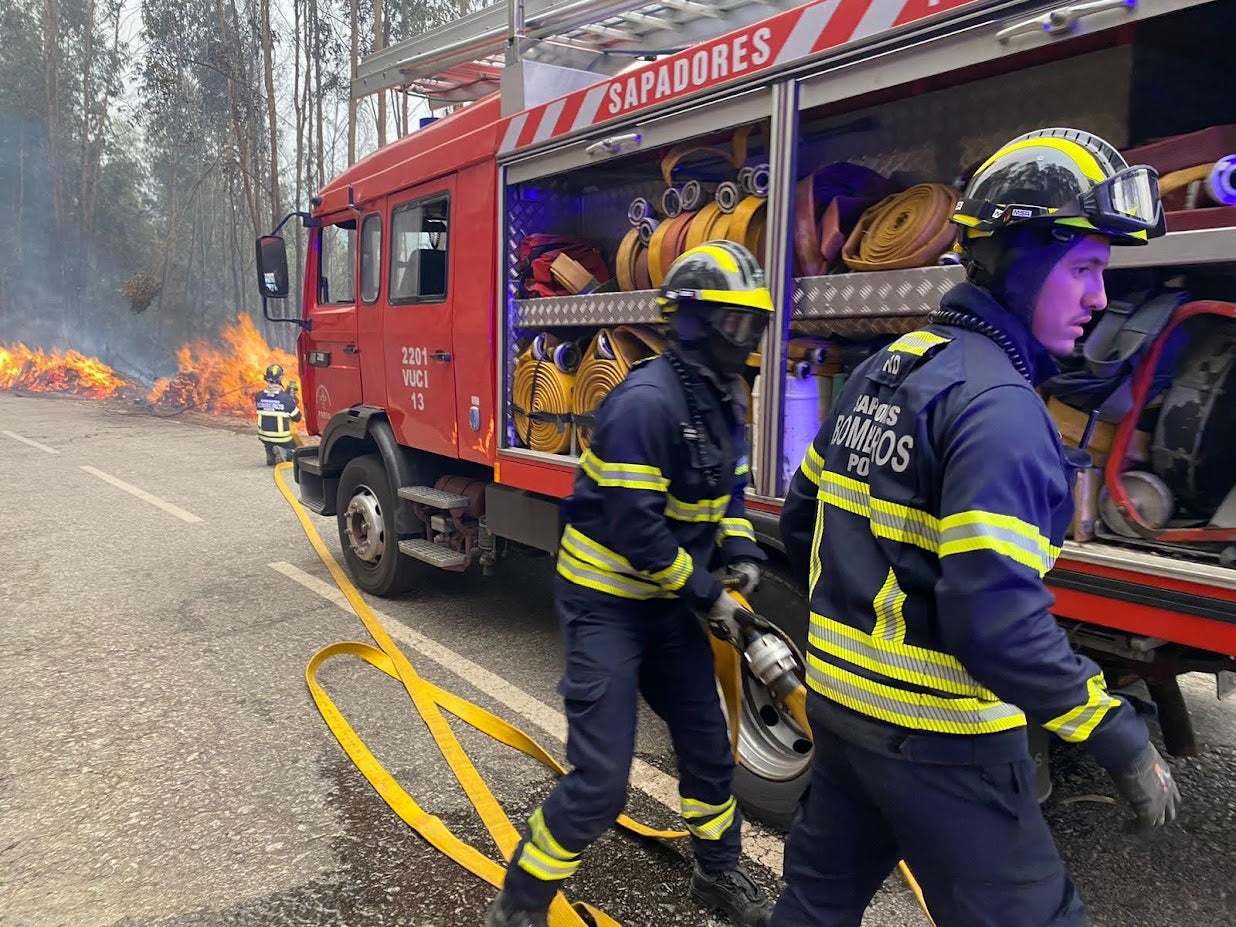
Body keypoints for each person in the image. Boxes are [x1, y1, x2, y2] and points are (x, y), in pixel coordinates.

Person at [772, 128, 1182, 927]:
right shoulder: (1000, 408)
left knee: (816, 907)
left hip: (845, 712)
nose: (1099, 298)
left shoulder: (887, 366)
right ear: (1019, 261)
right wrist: (1117, 733)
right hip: (943, 735)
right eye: (1086, 269)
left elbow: (801, 518)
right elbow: (993, 620)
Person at [486, 241, 775, 927]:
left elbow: (728, 494)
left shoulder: (725, 396)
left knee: (709, 747)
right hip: (608, 605)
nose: (747, 338)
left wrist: (739, 552)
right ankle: (520, 904)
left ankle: (717, 875)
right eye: (735, 322)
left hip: (667, 603)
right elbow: (640, 532)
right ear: (693, 322)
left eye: (753, 323)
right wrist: (707, 595)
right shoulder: (644, 404)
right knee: (602, 780)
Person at [254, 363, 301, 465]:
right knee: (298, 451)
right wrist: (292, 400)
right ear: (280, 377)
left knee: (269, 441)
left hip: (264, 437)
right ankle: (284, 452)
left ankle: (270, 453)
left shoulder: (258, 396)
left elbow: (271, 403)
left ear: (266, 378)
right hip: (283, 438)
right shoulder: (286, 399)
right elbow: (297, 418)